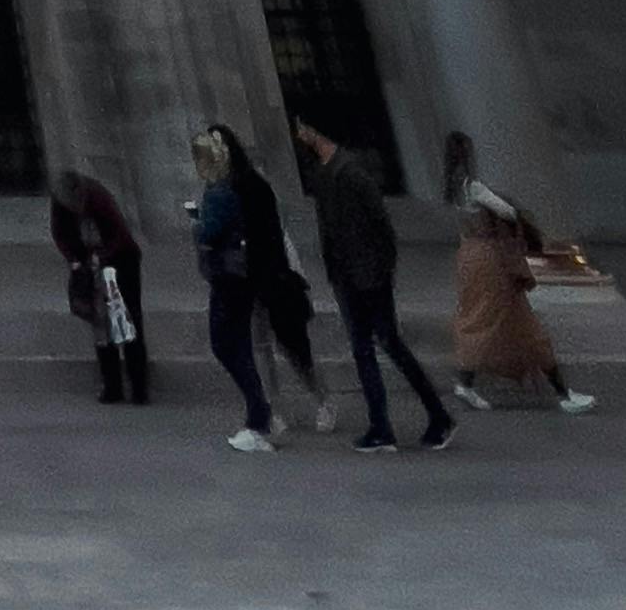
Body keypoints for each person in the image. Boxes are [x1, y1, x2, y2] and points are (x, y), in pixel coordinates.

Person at [292, 117, 452, 452]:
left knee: (385, 344)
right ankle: (388, 425)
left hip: (365, 274)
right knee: (370, 348)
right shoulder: (326, 173)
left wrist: (379, 270)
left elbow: (380, 223)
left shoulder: (350, 172)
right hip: (348, 274)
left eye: (301, 130)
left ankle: (420, 418)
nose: (299, 137)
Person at [443, 132, 596, 416]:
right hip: (491, 261)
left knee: (481, 320)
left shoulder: (451, 192)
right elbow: (508, 212)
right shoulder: (474, 188)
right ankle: (563, 394)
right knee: (522, 325)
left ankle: (466, 382)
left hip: (468, 258)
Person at [215, 118, 335, 432]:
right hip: (245, 277)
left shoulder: (251, 186)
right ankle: (273, 409)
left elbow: (270, 235)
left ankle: (322, 400)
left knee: (293, 347)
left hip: (270, 275)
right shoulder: (222, 189)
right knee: (262, 349)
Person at [191, 127, 276, 450]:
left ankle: (259, 414)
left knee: (226, 344)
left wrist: (196, 223)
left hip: (228, 277)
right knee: (237, 344)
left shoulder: (219, 193)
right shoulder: (231, 187)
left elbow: (208, 233)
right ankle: (259, 413)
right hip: (239, 275)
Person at [48, 167, 149, 406]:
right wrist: (74, 259)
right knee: (102, 327)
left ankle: (139, 388)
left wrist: (102, 257)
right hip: (88, 263)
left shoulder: (97, 196)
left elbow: (119, 234)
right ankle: (112, 386)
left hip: (121, 260)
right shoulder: (60, 202)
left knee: (129, 321)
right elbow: (60, 234)